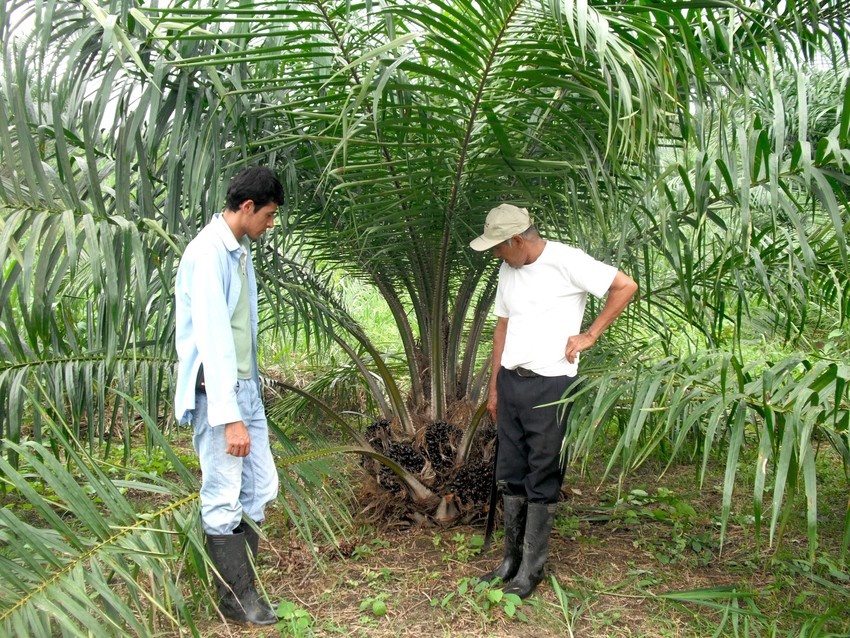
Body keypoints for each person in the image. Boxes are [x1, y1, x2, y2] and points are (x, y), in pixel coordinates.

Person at [470, 203, 637, 599]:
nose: (495, 254)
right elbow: (503, 327)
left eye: (498, 247)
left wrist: (590, 335)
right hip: (512, 383)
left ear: (516, 239)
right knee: (510, 470)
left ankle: (531, 568)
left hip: (551, 389)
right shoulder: (508, 269)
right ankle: (510, 560)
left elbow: (625, 286)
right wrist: (495, 386)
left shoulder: (566, 260)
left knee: (542, 473)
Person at [174, 166, 284, 625]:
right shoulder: (207, 254)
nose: (271, 224)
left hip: (244, 389)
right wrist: (230, 417)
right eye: (269, 215)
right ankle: (237, 602)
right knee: (223, 495)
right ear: (246, 207)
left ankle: (245, 591)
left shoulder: (238, 249)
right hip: (218, 392)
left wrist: (249, 393)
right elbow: (215, 338)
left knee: (260, 487)